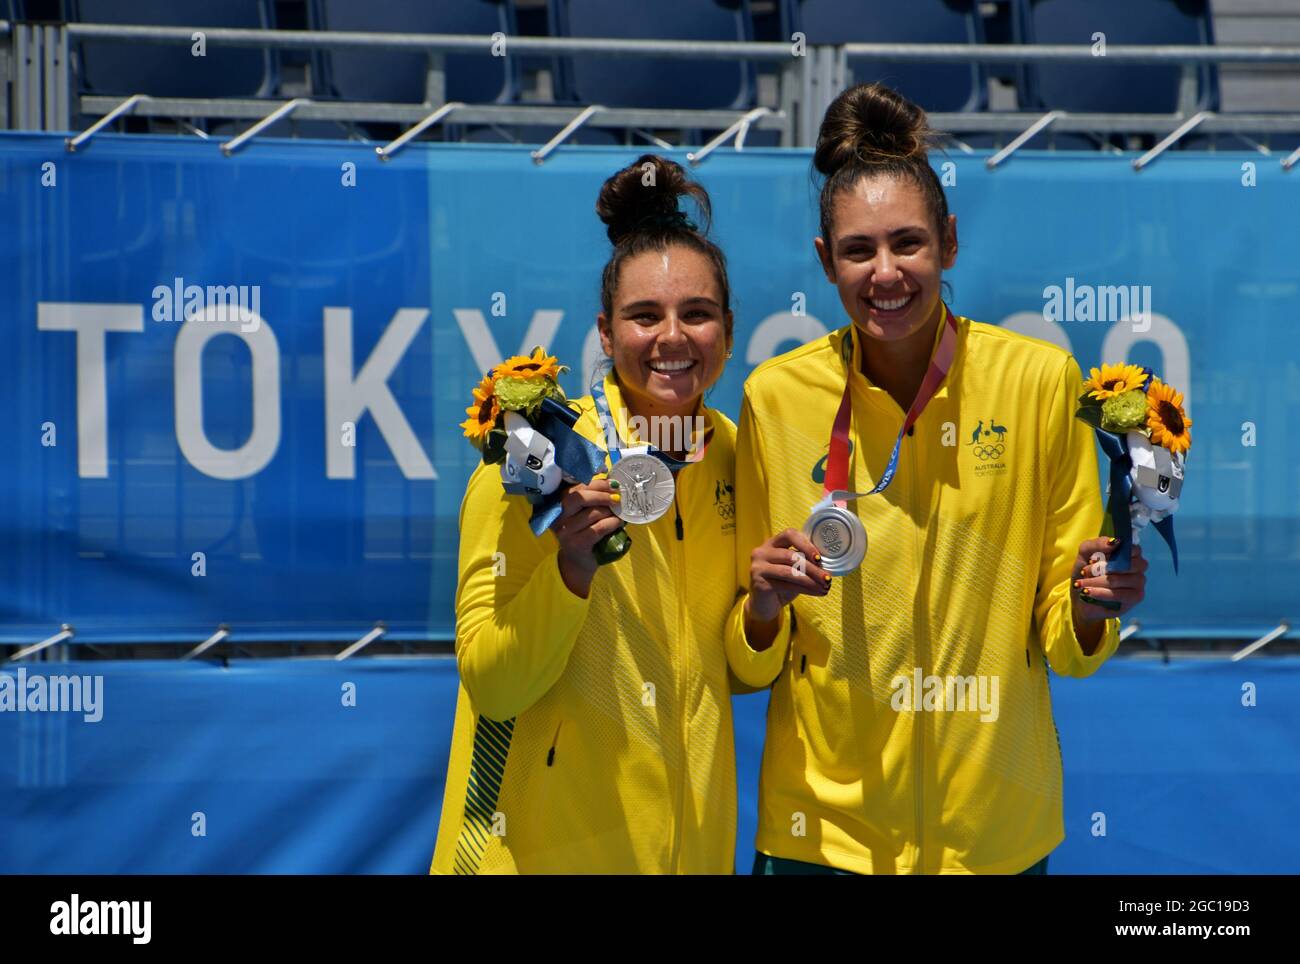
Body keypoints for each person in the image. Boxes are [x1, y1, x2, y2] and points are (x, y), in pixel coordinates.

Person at [729, 83, 1148, 875]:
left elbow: (1066, 642)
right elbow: (749, 660)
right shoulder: (775, 398)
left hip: (993, 840)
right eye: (858, 250)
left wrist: (1095, 606)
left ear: (949, 243)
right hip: (822, 841)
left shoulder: (1039, 382)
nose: (885, 273)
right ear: (826, 262)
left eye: (908, 243)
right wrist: (760, 607)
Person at [431, 154, 747, 873]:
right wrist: (570, 572)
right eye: (645, 316)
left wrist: (761, 619)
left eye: (696, 314)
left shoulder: (731, 453)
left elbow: (729, 670)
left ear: (728, 330)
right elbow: (493, 683)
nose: (672, 337)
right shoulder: (535, 458)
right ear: (605, 334)